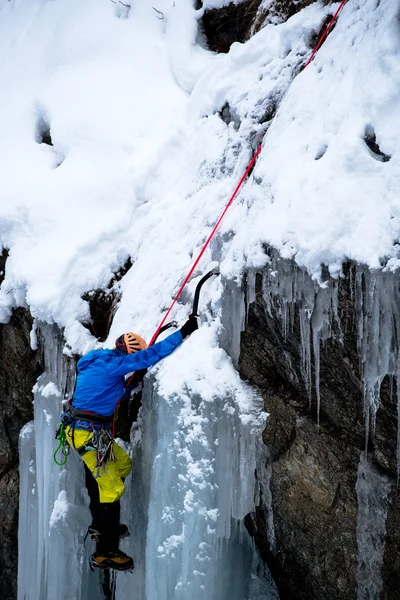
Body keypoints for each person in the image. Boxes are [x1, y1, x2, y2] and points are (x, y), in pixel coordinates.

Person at [64, 316, 198, 571]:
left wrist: (134, 381)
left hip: (90, 433)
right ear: (129, 352)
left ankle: (101, 523)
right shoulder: (112, 365)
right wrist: (183, 332)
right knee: (112, 489)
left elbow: (109, 393)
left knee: (122, 465)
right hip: (88, 434)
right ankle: (106, 551)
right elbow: (149, 355)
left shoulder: (99, 362)